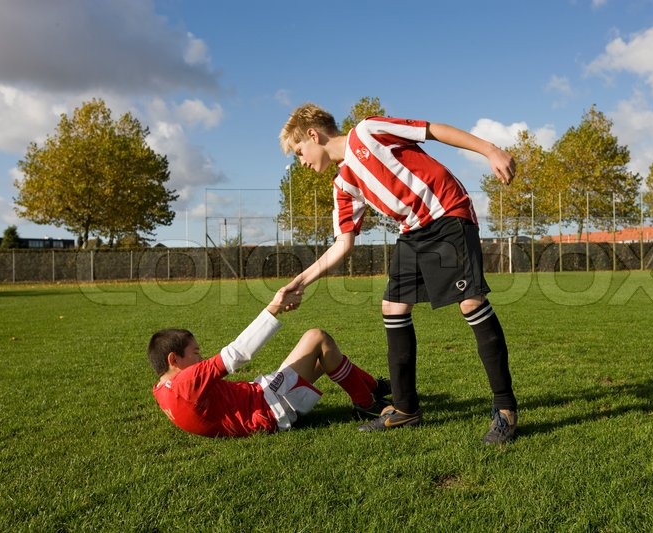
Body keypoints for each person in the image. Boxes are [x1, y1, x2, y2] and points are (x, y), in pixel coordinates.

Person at [278, 103, 518, 444]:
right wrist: (298, 283)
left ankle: (505, 409)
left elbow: (432, 130)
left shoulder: (369, 130)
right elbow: (342, 245)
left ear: (314, 135)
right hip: (412, 231)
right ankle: (406, 410)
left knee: (470, 302)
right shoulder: (343, 184)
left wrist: (490, 150)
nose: (301, 161)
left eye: (300, 151)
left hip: (446, 213)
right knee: (393, 307)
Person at [147, 288, 390, 437]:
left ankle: (372, 388)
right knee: (317, 337)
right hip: (268, 407)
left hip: (263, 399)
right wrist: (275, 307)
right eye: (195, 353)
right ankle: (366, 403)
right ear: (174, 359)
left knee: (322, 356)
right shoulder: (185, 383)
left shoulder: (162, 391)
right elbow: (238, 353)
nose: (200, 358)